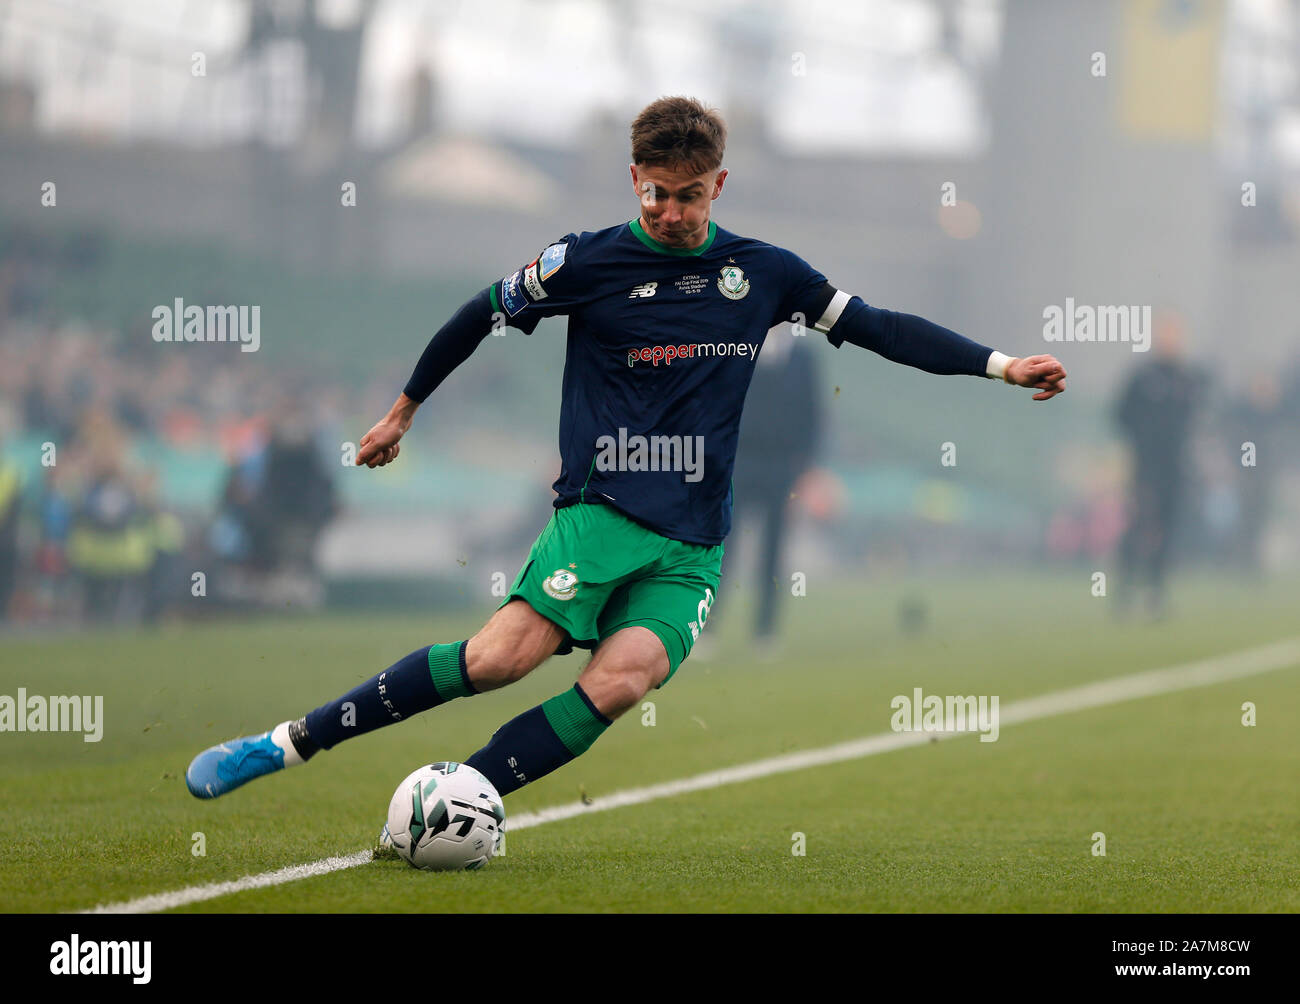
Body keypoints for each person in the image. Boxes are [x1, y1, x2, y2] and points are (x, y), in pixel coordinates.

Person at [186, 97, 1066, 803]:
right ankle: (285, 744)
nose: (672, 212)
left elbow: (881, 329)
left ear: (719, 184)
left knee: (627, 677)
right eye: (656, 194)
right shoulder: (584, 264)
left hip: (693, 540)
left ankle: (468, 795)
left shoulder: (766, 275)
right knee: (499, 661)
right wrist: (403, 410)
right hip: (601, 514)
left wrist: (1001, 366)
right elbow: (476, 315)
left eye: (689, 196)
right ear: (633, 180)